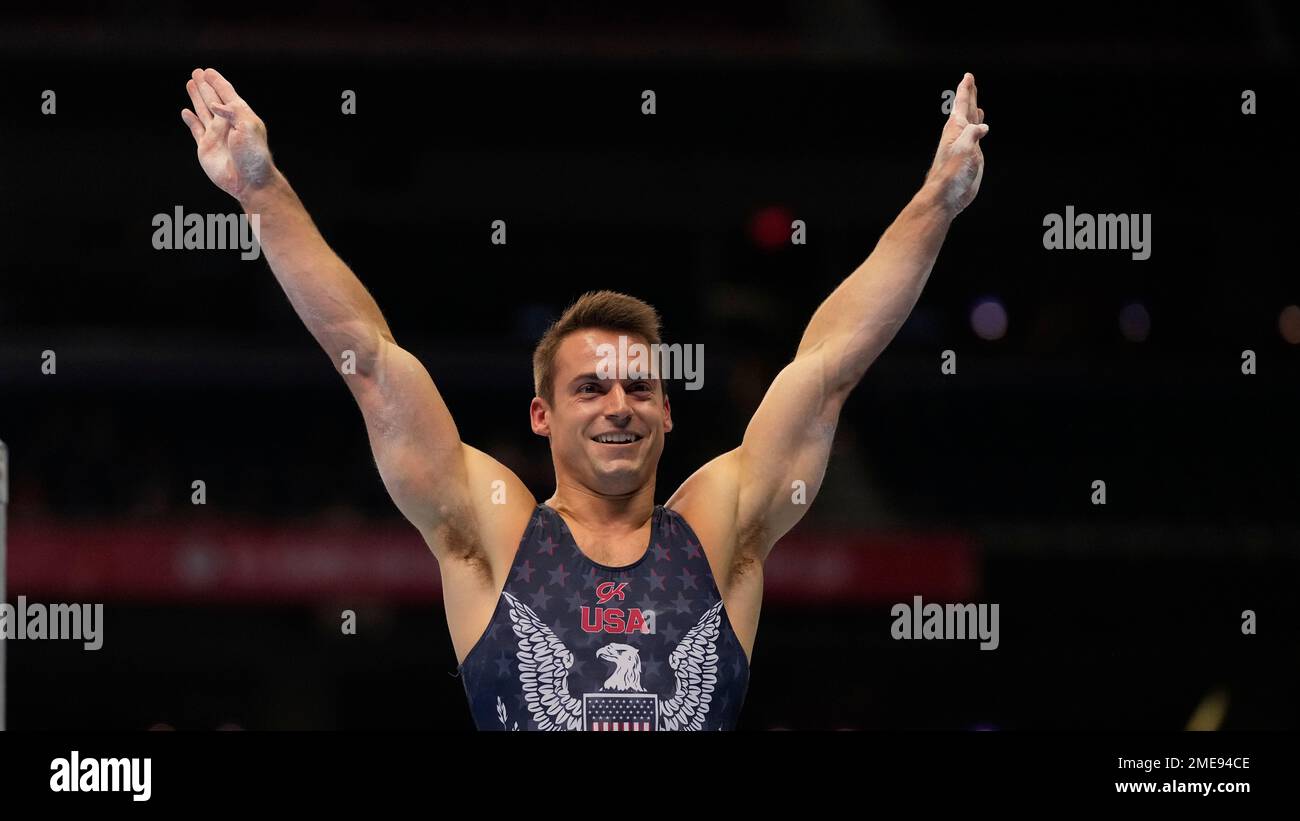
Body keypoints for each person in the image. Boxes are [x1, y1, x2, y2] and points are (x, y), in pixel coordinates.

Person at [180, 67, 988, 731]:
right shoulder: (492, 529)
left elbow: (831, 363)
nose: (618, 404)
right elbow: (370, 360)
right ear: (543, 415)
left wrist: (936, 202)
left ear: (668, 412)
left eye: (640, 385)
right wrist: (264, 192)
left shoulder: (718, 525)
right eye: (590, 386)